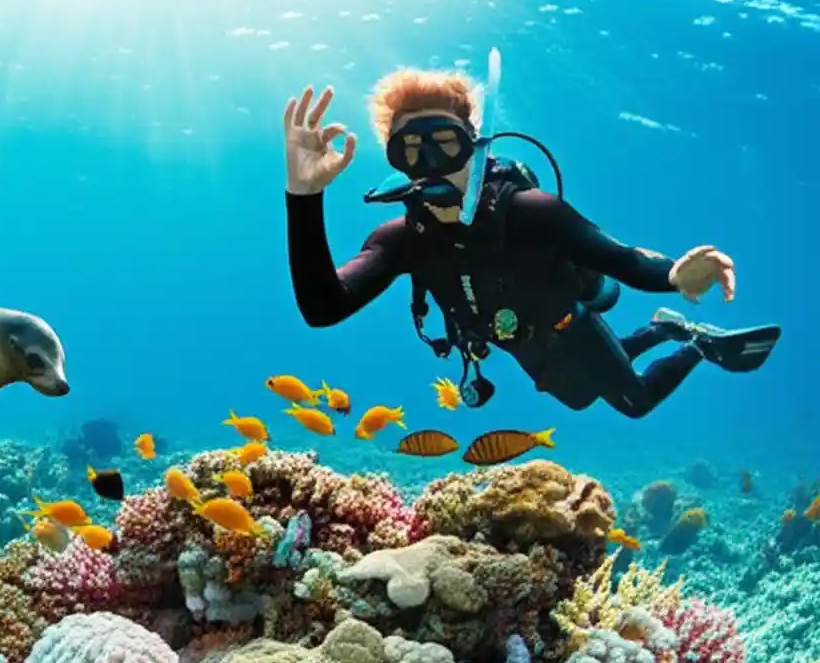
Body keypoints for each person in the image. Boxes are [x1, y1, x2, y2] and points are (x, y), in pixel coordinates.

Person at [282, 73, 781, 418]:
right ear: (397, 163)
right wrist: (304, 197)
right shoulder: (400, 241)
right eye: (411, 150)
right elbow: (323, 307)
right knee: (582, 399)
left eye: (445, 144)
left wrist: (673, 276)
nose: (431, 163)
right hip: (519, 343)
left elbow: (621, 258)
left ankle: (694, 343)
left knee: (636, 403)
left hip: (569, 324)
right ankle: (660, 330)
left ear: (475, 147)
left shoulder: (530, 211)